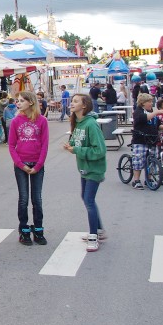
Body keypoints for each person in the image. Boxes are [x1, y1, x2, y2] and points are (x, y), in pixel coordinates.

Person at [62, 93, 106, 252]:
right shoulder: (78, 123)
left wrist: (77, 149)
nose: (71, 104)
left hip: (94, 168)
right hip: (84, 167)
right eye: (72, 101)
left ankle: (94, 236)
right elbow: (75, 142)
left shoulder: (91, 124)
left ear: (84, 105)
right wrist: (70, 147)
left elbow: (100, 150)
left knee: (88, 200)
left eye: (75, 101)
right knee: (86, 198)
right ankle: (99, 230)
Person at [8, 90, 50, 245]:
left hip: (37, 164)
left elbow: (45, 145)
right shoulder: (15, 121)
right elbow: (11, 145)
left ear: (31, 102)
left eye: (21, 100)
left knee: (37, 199)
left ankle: (38, 229)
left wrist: (38, 165)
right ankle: (24, 229)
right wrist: (21, 165)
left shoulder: (42, 121)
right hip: (21, 165)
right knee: (23, 199)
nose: (18, 103)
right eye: (17, 100)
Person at [130, 93, 163, 190]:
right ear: (143, 103)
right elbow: (144, 118)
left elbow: (157, 124)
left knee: (151, 161)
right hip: (140, 140)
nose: (151, 103)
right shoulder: (138, 112)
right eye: (149, 102)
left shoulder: (151, 111)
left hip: (152, 140)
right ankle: (136, 180)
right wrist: (156, 112)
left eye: (151, 101)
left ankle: (148, 179)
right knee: (138, 160)